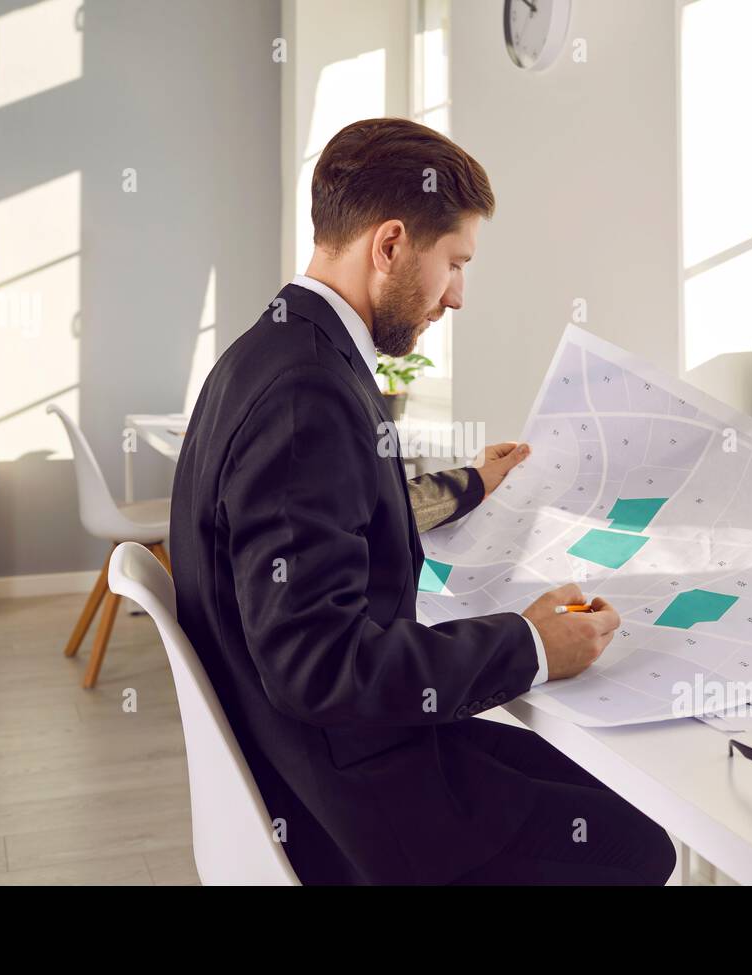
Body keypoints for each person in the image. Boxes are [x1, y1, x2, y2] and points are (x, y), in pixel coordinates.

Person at [170, 117, 676, 885]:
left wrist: (473, 483)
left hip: (318, 754)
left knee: (602, 789)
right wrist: (533, 643)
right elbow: (318, 660)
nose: (459, 296)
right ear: (391, 245)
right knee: (636, 843)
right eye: (455, 263)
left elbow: (327, 511)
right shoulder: (309, 392)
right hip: (348, 798)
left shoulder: (268, 354)